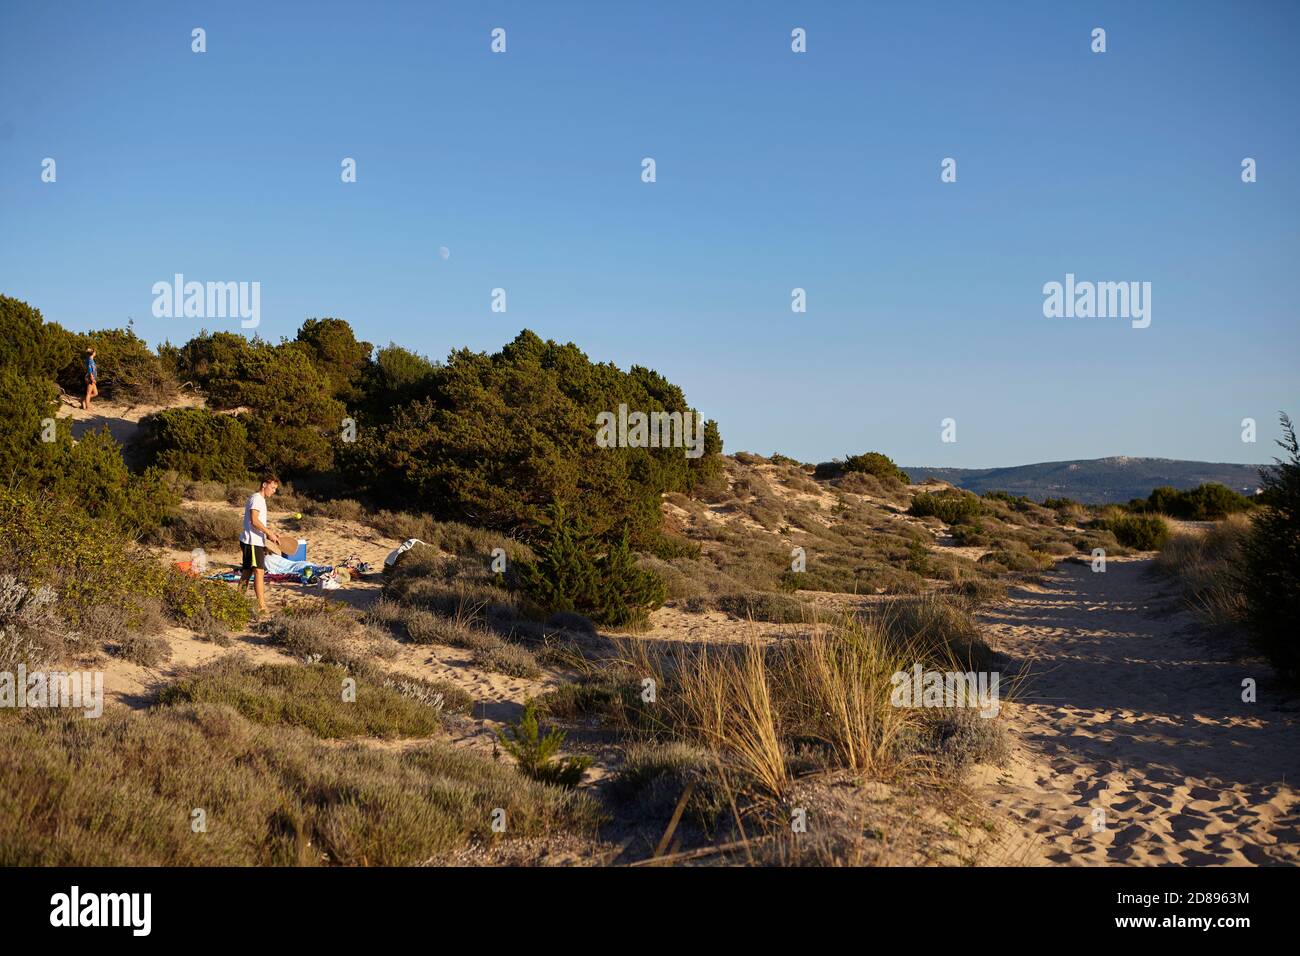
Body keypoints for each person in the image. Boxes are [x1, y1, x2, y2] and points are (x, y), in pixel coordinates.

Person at [238, 474, 281, 615]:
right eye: (273, 487)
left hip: (252, 541)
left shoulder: (260, 499)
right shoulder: (257, 499)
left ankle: (235, 600)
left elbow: (258, 523)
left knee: (247, 572)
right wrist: (268, 533)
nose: (274, 491)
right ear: (264, 485)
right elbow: (254, 521)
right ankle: (262, 606)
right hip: (252, 542)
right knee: (259, 572)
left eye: (275, 488)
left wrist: (270, 534)